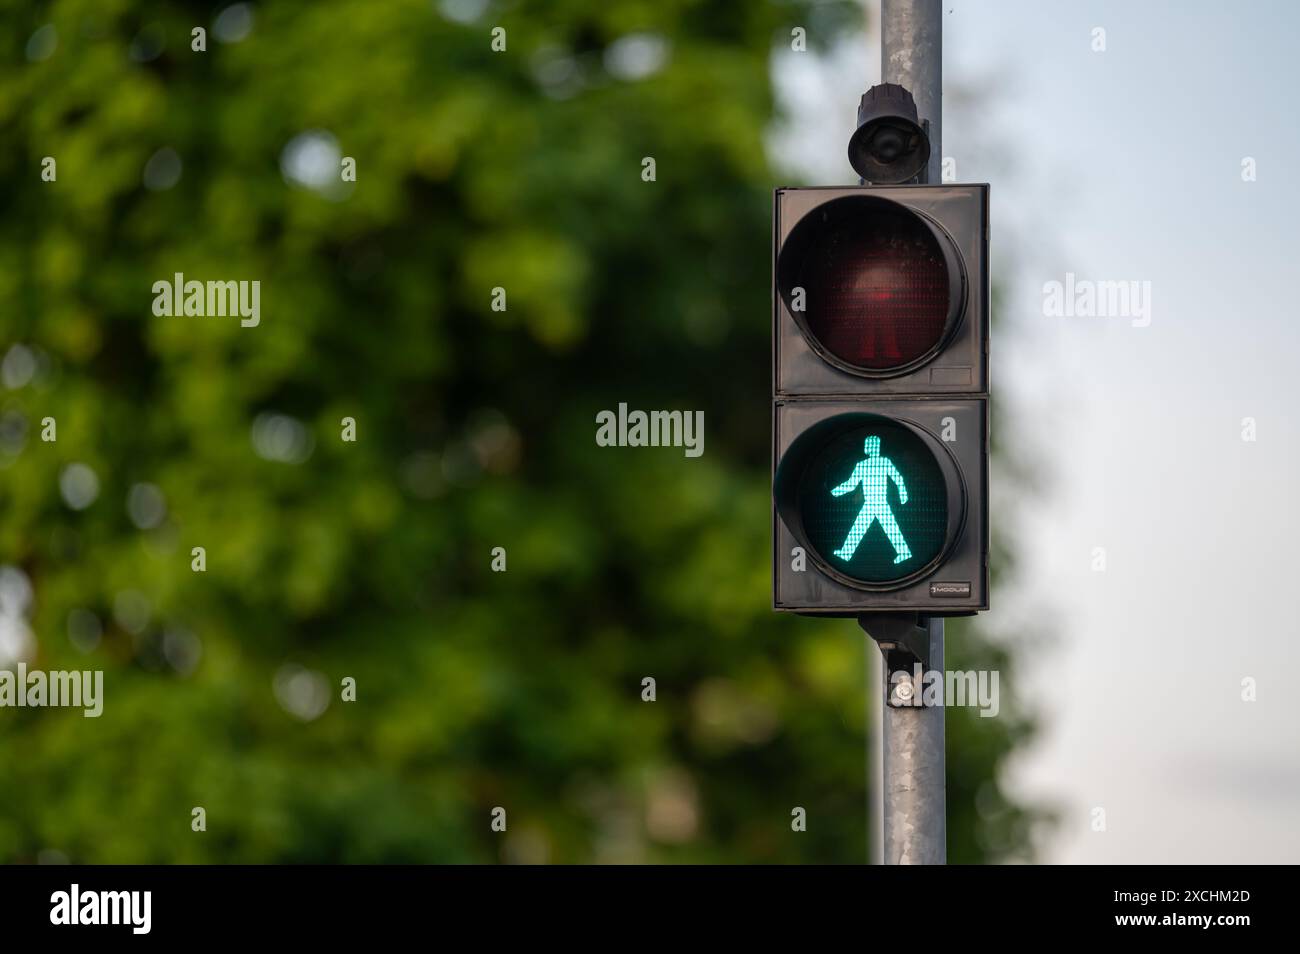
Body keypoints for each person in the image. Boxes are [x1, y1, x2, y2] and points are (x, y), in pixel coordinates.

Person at [830, 435, 912, 564]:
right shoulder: (870, 463)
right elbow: (852, 484)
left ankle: (904, 552)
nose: (868, 447)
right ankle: (904, 552)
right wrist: (836, 492)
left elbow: (851, 485)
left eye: (869, 445)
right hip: (873, 503)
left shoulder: (874, 463)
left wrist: (836, 492)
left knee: (886, 529)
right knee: (864, 528)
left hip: (878, 503)